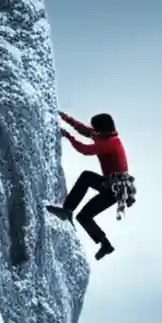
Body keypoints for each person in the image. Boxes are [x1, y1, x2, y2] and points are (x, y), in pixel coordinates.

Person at [45, 110, 136, 260]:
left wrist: (68, 136)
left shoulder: (109, 143)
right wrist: (67, 118)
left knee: (86, 177)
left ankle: (67, 210)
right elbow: (85, 131)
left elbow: (85, 150)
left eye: (95, 128)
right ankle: (105, 244)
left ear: (101, 129)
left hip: (115, 188)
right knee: (84, 216)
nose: (93, 130)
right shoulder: (105, 136)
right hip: (112, 186)